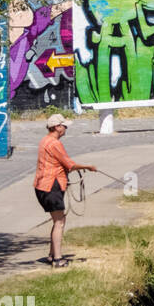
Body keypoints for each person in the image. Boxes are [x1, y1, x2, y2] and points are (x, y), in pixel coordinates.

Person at [34, 113, 97, 267]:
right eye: (64, 126)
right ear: (57, 127)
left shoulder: (45, 141)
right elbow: (69, 164)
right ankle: (57, 259)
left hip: (42, 185)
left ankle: (51, 255)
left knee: (58, 220)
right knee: (59, 222)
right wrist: (88, 167)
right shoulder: (54, 144)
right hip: (51, 186)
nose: (66, 129)